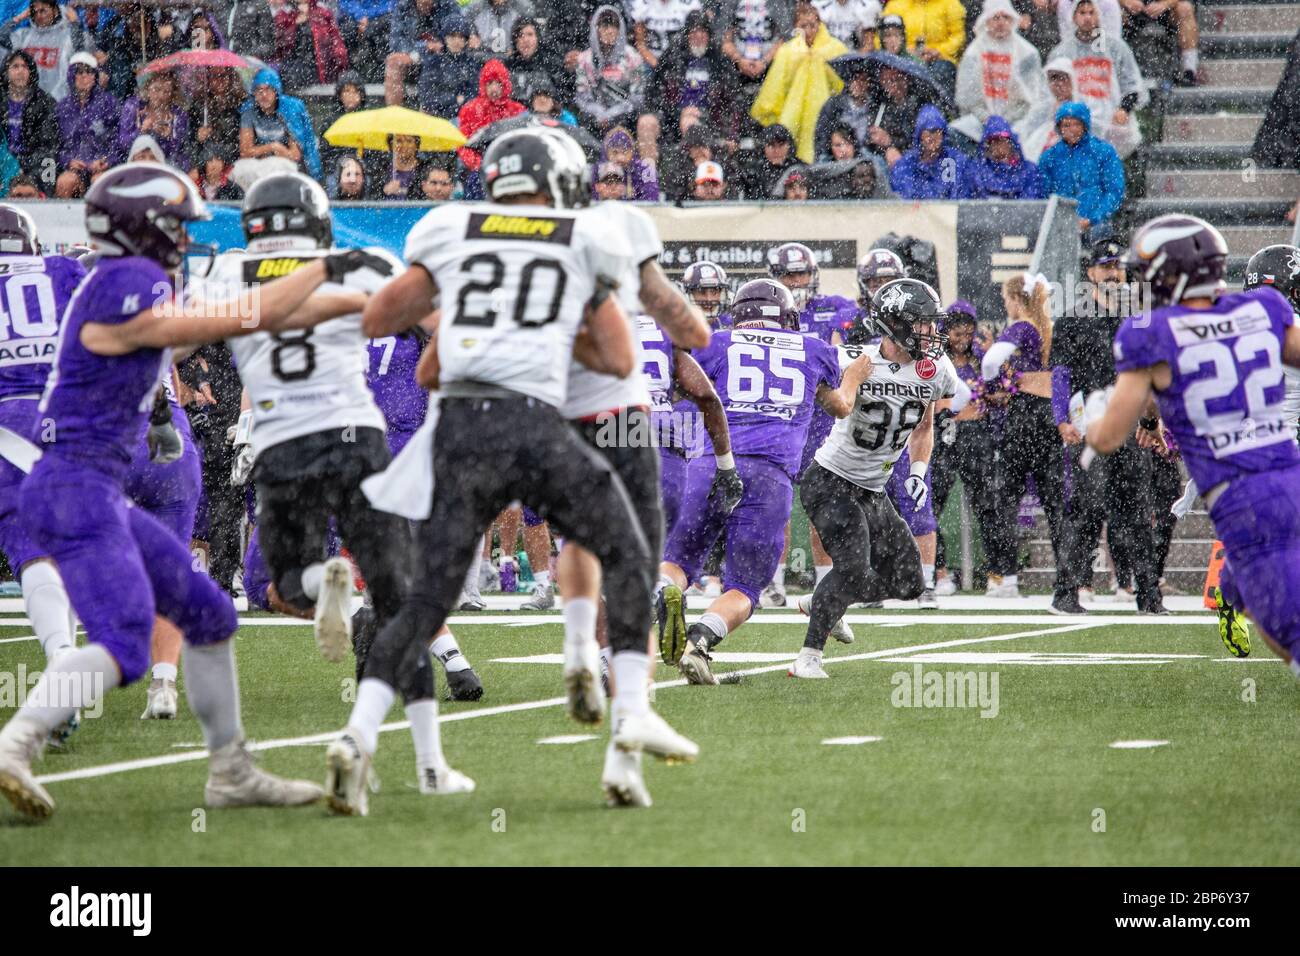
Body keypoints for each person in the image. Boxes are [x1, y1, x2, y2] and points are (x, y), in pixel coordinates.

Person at [0, 161, 381, 820]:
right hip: (76, 486)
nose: (183, 239)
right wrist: (326, 267)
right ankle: (15, 746)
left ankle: (230, 772)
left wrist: (351, 298)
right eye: (175, 225)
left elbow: (237, 315)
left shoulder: (124, 280)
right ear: (144, 227)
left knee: (209, 614)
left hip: (92, 486)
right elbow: (232, 318)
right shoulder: (129, 279)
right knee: (123, 646)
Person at [332, 129, 695, 814]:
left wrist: (465, 310)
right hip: (529, 422)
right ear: (560, 178)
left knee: (427, 598)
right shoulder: (582, 235)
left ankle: (356, 737)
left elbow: (380, 319)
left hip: (458, 426)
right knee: (626, 548)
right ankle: (628, 705)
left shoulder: (452, 227)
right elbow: (618, 360)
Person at [1087, 215, 1300, 671]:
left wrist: (1090, 413)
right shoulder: (1262, 308)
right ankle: (1237, 592)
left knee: (1289, 638)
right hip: (1290, 474)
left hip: (1241, 495)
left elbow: (1106, 438)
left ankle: (1238, 594)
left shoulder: (1151, 332)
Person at [657, 278, 869, 685]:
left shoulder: (717, 342)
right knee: (744, 587)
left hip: (711, 466)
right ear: (787, 317)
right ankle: (700, 640)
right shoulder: (812, 348)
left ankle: (660, 592)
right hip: (770, 478)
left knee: (680, 561)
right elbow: (840, 406)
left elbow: (683, 391)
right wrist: (855, 375)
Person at [791, 277, 968, 678]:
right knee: (853, 568)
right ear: (897, 325)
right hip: (831, 480)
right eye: (923, 323)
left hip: (872, 488)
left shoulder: (934, 368)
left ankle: (825, 600)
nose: (932, 332)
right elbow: (810, 370)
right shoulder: (854, 359)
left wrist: (919, 471)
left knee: (910, 582)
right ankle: (808, 657)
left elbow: (923, 426)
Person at [0, 206, 84, 746]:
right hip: (68, 414)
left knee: (30, 548)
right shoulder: (63, 272)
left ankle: (62, 657)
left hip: (7, 418)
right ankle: (67, 665)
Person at [1051, 238, 1167, 614]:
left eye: (1118, 266)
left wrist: (1152, 420)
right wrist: (1061, 419)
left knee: (1137, 513)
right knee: (1085, 511)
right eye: (1105, 266)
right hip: (1093, 427)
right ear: (1090, 273)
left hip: (1131, 425)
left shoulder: (1139, 317)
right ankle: (1066, 593)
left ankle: (1149, 597)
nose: (1113, 273)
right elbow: (1060, 375)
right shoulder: (1071, 318)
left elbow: (1151, 373)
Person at [981, 272, 1078, 611]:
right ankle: (1068, 583)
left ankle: (1006, 578)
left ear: (1016, 300)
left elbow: (990, 361)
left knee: (1005, 498)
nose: (1006, 306)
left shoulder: (1022, 327)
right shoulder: (1048, 328)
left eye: (1007, 300)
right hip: (1049, 417)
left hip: (1023, 417)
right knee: (1056, 505)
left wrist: (995, 385)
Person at [928, 300, 1005, 595]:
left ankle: (997, 575)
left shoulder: (983, 360)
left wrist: (982, 402)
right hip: (943, 437)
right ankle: (941, 572)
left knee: (988, 506)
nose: (961, 341)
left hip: (977, 438)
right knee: (931, 506)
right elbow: (930, 399)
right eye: (955, 334)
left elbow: (1001, 394)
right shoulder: (934, 360)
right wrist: (950, 408)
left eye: (966, 334)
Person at [750, 2, 847, 164]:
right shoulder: (787, 51)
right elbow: (776, 86)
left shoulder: (835, 49)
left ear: (820, 24)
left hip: (823, 114)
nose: (808, 31)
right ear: (796, 26)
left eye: (812, 25)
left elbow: (841, 84)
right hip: (792, 116)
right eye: (803, 26)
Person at [1048, 0, 1146, 158]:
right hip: (1073, 119)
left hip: (1110, 118)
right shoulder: (1061, 52)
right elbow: (1050, 90)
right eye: (1082, 13)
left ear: (1099, 15)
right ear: (1073, 17)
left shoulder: (1116, 47)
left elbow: (1132, 84)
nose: (1087, 18)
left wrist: (1124, 108)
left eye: (1091, 12)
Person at [951, 0, 1046, 143]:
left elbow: (1031, 99)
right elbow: (967, 99)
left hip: (1017, 122)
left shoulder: (1027, 53)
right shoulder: (973, 52)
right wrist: (987, 119)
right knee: (955, 132)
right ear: (986, 21)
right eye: (996, 18)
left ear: (1012, 19)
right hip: (981, 123)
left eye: (1005, 17)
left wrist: (1006, 121)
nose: (1001, 22)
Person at [645, 10, 743, 145]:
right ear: (687, 35)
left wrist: (732, 135)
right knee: (646, 123)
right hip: (671, 119)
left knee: (690, 121)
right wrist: (678, 111)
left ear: (709, 35)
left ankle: (693, 160)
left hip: (711, 120)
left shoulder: (719, 61)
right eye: (694, 31)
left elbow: (734, 100)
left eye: (703, 31)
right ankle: (647, 165)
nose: (699, 36)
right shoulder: (671, 58)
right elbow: (654, 93)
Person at [1038, 100, 1124, 238]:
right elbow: (1044, 194)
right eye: (1066, 125)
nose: (1071, 129)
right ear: (1059, 128)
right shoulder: (1049, 157)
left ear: (1085, 126)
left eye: (1076, 124)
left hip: (1097, 225)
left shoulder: (1104, 151)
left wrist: (1092, 219)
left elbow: (1114, 191)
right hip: (1061, 227)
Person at [55, 53, 118, 199]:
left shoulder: (109, 103)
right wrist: (68, 161)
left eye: (89, 72)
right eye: (79, 72)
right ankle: (63, 221)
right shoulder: (62, 107)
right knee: (65, 183)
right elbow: (55, 145)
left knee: (100, 182)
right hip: (74, 168)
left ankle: (100, 222)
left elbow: (118, 141)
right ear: (71, 76)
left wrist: (106, 161)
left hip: (101, 166)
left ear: (95, 76)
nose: (84, 76)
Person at [574, 5, 646, 134]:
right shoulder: (584, 59)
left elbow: (638, 96)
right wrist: (599, 113)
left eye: (614, 26)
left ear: (620, 30)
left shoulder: (633, 57)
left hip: (625, 118)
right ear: (596, 30)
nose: (610, 31)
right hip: (593, 119)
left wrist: (613, 114)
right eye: (605, 26)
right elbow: (582, 96)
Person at [385, 0, 460, 106]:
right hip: (413, 56)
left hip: (442, 57)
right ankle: (394, 114)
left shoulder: (448, 5)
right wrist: (422, 48)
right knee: (393, 61)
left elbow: (457, 36)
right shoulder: (403, 6)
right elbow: (396, 40)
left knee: (437, 62)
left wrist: (435, 47)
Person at [889, 104, 973, 199]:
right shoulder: (905, 164)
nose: (932, 136)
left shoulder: (957, 161)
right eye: (928, 131)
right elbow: (903, 198)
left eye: (936, 130)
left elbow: (959, 198)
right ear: (919, 135)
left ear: (943, 133)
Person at [881, 0, 967, 91]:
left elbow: (959, 37)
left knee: (940, 72)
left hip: (941, 59)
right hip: (903, 59)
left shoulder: (950, 3)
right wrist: (905, 51)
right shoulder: (895, 5)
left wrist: (938, 51)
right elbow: (880, 37)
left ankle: (937, 104)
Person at [2, 50, 59, 184]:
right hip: (3, 160)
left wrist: (25, 169)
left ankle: (46, 200)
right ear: (6, 72)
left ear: (31, 72)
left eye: (25, 66)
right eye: (15, 66)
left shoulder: (45, 102)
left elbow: (48, 144)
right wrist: (10, 166)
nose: (20, 71)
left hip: (33, 161)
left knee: (48, 165)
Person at [3, 0, 77, 100]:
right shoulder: (24, 36)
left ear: (54, 10)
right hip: (26, 102)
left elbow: (81, 53)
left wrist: (75, 24)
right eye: (34, 12)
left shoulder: (69, 35)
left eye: (43, 10)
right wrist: (18, 18)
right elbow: (1, 38)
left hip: (57, 102)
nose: (39, 15)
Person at [416, 14, 485, 120]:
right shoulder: (434, 62)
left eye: (461, 37)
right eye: (452, 36)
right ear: (445, 38)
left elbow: (476, 93)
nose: (457, 41)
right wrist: (453, 100)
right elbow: (427, 96)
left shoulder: (472, 63)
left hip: (464, 117)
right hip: (436, 116)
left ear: (466, 40)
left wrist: (452, 103)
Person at [274, 0, 349, 90]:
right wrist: (296, 23)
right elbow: (280, 44)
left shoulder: (323, 13)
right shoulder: (284, 14)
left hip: (320, 63)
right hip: (292, 63)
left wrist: (340, 56)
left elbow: (335, 38)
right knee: (290, 78)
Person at [1015, 55, 1075, 161]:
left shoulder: (1086, 108)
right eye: (1053, 78)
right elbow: (1026, 132)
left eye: (1063, 78)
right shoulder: (1043, 109)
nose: (1058, 83)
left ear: (1073, 80)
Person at [967, 115, 1044, 199]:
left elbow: (1032, 202)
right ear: (987, 145)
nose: (999, 146)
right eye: (994, 142)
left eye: (1002, 140)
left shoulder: (1029, 170)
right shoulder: (977, 171)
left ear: (1011, 142)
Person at [813, 57, 874, 161]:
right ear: (848, 81)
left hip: (864, 160)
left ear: (868, 84)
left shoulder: (875, 109)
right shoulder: (833, 105)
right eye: (854, 78)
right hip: (835, 159)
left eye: (863, 80)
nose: (858, 84)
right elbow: (820, 137)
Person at [739, 122, 799, 199]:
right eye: (771, 145)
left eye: (781, 145)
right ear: (763, 147)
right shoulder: (753, 171)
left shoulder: (799, 168)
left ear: (789, 146)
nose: (776, 151)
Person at [464, 0, 534, 56]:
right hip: (482, 59)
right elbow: (463, 24)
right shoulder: (476, 10)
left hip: (512, 61)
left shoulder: (521, 9)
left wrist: (515, 51)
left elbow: (528, 33)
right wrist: (471, 35)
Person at [814, 0, 883, 46]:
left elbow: (869, 41)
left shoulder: (867, 6)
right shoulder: (819, 6)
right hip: (829, 51)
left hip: (855, 53)